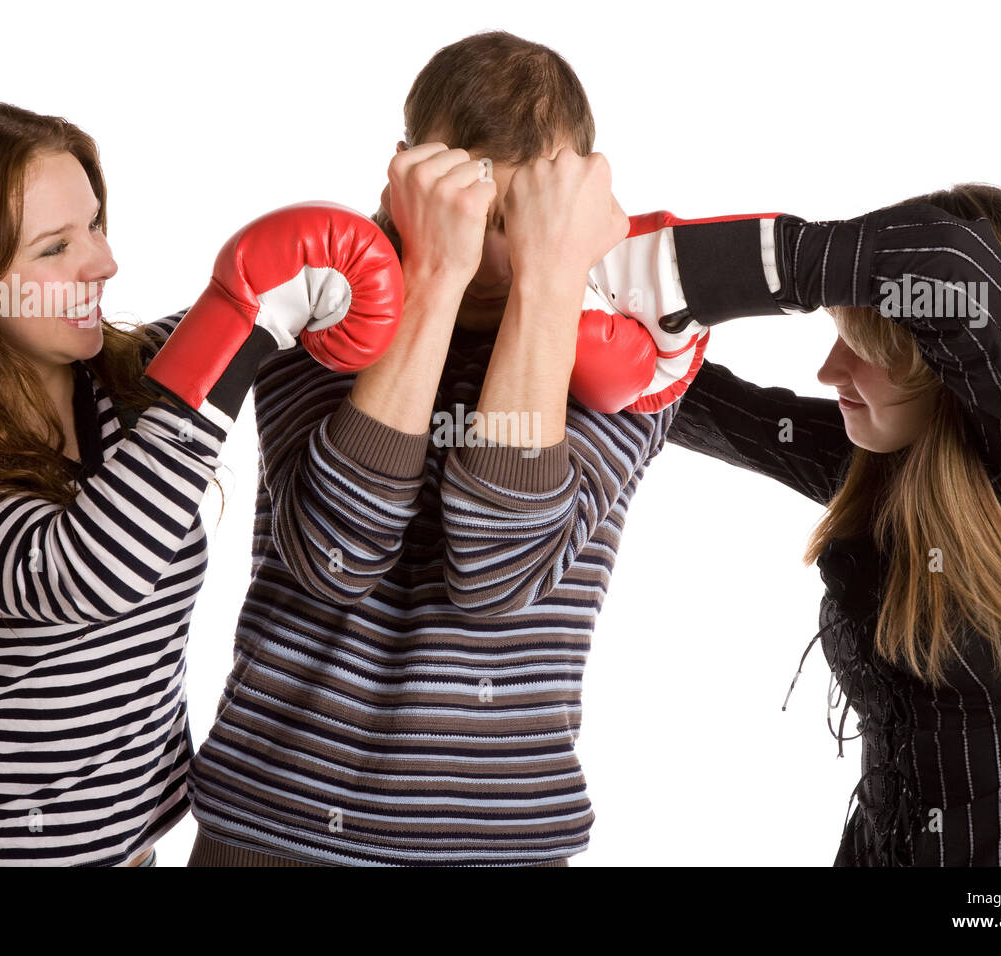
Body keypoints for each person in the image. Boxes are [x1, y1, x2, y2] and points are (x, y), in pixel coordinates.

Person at [0, 98, 397, 865]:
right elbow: (84, 572)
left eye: (95, 225)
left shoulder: (125, 388)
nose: (104, 262)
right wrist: (247, 326)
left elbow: (288, 294)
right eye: (55, 246)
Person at [182, 30, 682, 867]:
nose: (494, 249)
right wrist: (434, 279)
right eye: (470, 209)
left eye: (522, 219)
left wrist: (553, 281)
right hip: (275, 828)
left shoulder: (636, 356)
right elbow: (337, 555)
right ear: (409, 180)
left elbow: (498, 573)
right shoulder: (321, 311)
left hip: (501, 843)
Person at [656, 184, 1001, 865]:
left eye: (868, 348)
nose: (829, 371)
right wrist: (566, 310)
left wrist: (680, 269)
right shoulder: (887, 469)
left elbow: (945, 261)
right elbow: (702, 406)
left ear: (952, 356)